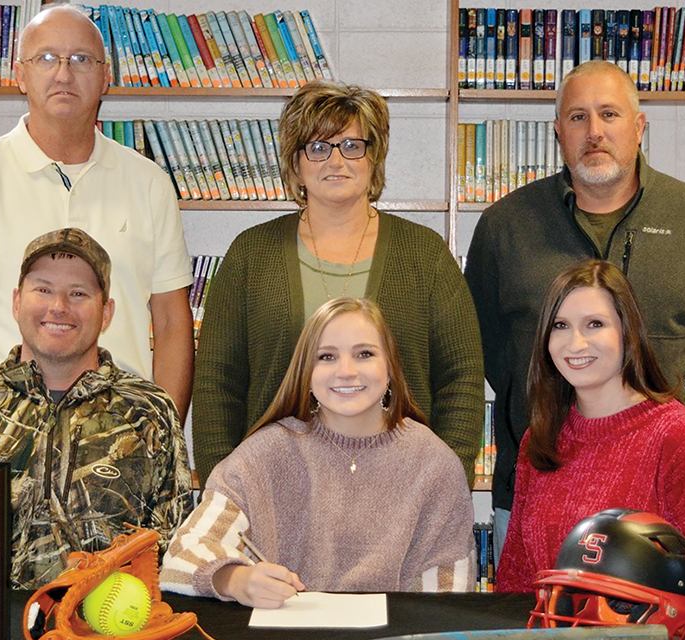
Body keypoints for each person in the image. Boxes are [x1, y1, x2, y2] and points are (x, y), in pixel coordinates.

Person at [464, 60, 685, 557]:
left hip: (667, 492)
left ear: (640, 126)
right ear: (558, 131)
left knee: (672, 631)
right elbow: (488, 349)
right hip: (540, 483)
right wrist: (541, 404)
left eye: (610, 114)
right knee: (535, 625)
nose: (594, 132)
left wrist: (678, 413)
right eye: (578, 118)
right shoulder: (505, 227)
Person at [191, 79, 483, 486]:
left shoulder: (424, 254)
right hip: (274, 488)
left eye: (351, 145)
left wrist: (447, 481)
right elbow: (216, 383)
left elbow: (462, 377)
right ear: (295, 164)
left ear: (372, 157)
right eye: (318, 147)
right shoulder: (250, 254)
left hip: (400, 487)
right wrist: (221, 486)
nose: (336, 161)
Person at [0, 5, 195, 412]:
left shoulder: (149, 183)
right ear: (20, 74)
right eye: (46, 58)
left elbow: (171, 324)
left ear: (105, 77)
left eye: (81, 59)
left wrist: (164, 437)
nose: (64, 74)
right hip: (0, 438)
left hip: (122, 439)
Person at [0, 228, 193, 590]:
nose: (58, 306)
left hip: (107, 636)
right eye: (42, 289)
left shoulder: (150, 414)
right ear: (16, 302)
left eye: (78, 293)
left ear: (106, 313)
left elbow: (169, 552)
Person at [160, 298, 475, 609]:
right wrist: (236, 580)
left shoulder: (434, 463)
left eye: (364, 354)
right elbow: (179, 557)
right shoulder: (264, 455)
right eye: (326, 356)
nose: (346, 371)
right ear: (305, 372)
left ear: (391, 366)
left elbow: (448, 596)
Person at [495, 260, 685, 594]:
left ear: (627, 332)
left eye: (594, 324)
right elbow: (516, 577)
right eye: (560, 325)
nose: (575, 343)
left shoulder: (676, 436)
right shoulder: (540, 438)